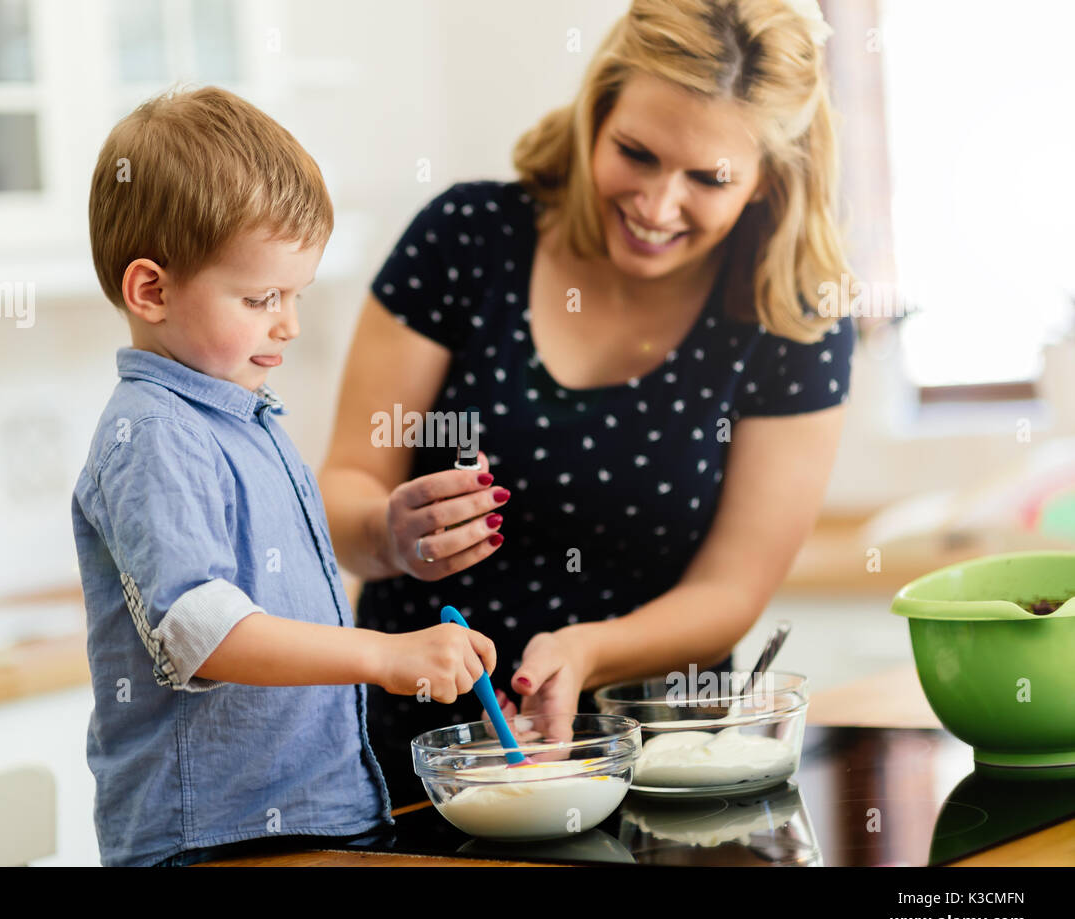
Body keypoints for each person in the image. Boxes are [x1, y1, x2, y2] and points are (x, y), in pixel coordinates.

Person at [319, 0, 855, 806]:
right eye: (636, 154)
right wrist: (386, 535)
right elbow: (344, 486)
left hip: (662, 759)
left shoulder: (792, 315)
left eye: (708, 178)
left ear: (766, 183)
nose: (656, 204)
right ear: (596, 112)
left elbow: (731, 590)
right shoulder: (466, 239)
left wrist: (588, 652)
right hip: (419, 757)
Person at [72, 86, 496, 865]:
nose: (289, 324)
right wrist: (387, 653)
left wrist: (389, 539)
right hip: (217, 840)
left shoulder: (242, 417)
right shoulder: (155, 433)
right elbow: (203, 635)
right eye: (261, 296)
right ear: (151, 291)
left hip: (309, 821)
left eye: (295, 294)